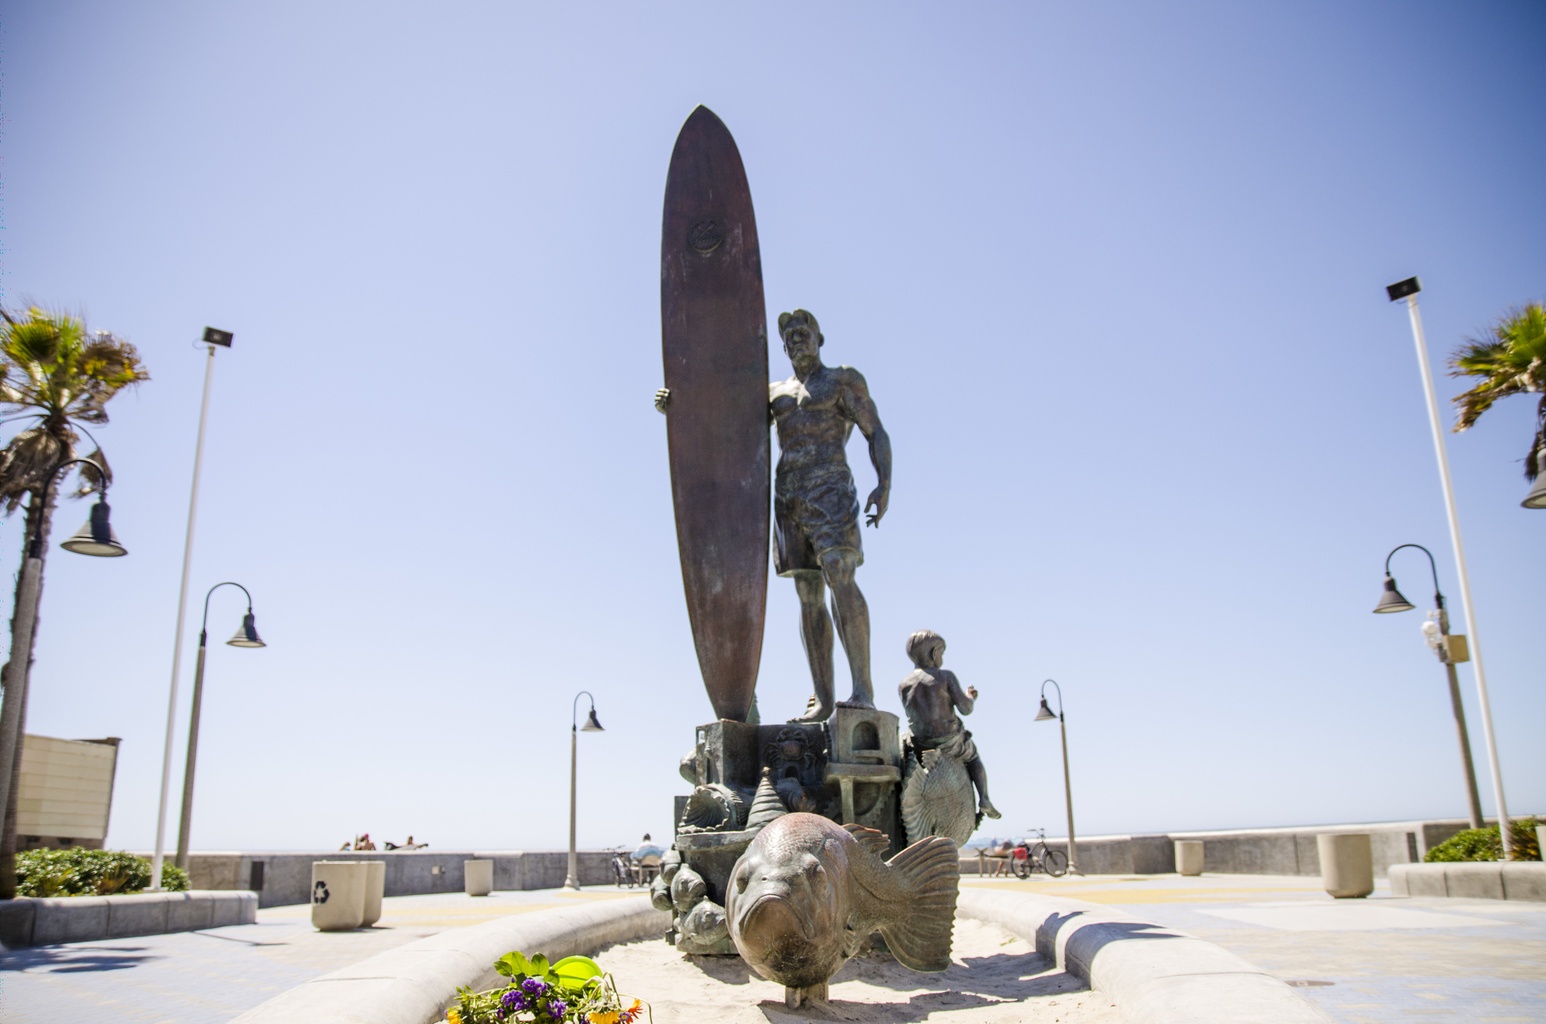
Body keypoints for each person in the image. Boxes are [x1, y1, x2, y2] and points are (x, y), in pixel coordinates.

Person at [656, 309, 891, 721]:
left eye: (805, 332)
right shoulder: (772, 392)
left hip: (832, 489)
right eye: (790, 336)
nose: (797, 339)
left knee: (840, 572)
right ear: (783, 347)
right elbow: (723, 422)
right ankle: (822, 698)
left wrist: (883, 483)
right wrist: (677, 405)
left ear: (821, 338)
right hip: (788, 497)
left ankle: (862, 689)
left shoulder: (842, 380)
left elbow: (876, 431)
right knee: (808, 594)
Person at [897, 629, 1000, 820]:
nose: (941, 658)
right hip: (947, 740)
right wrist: (971, 696)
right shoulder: (944, 676)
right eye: (941, 653)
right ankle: (984, 799)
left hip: (918, 741)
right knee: (973, 755)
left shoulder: (904, 683)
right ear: (934, 653)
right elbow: (966, 708)